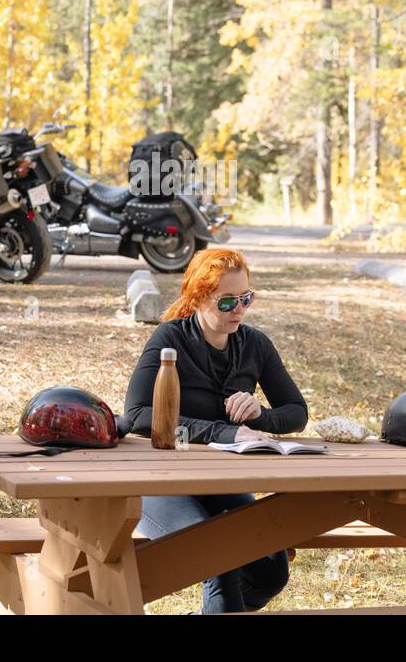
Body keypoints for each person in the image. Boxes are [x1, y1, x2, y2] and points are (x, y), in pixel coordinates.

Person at [123, 247, 308, 613]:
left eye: (246, 299)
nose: (238, 309)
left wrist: (259, 415)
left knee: (271, 572)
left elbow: (297, 413)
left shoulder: (255, 344)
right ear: (198, 298)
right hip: (162, 482)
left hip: (223, 482)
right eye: (227, 302)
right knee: (217, 559)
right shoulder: (169, 339)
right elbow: (138, 414)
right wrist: (223, 432)